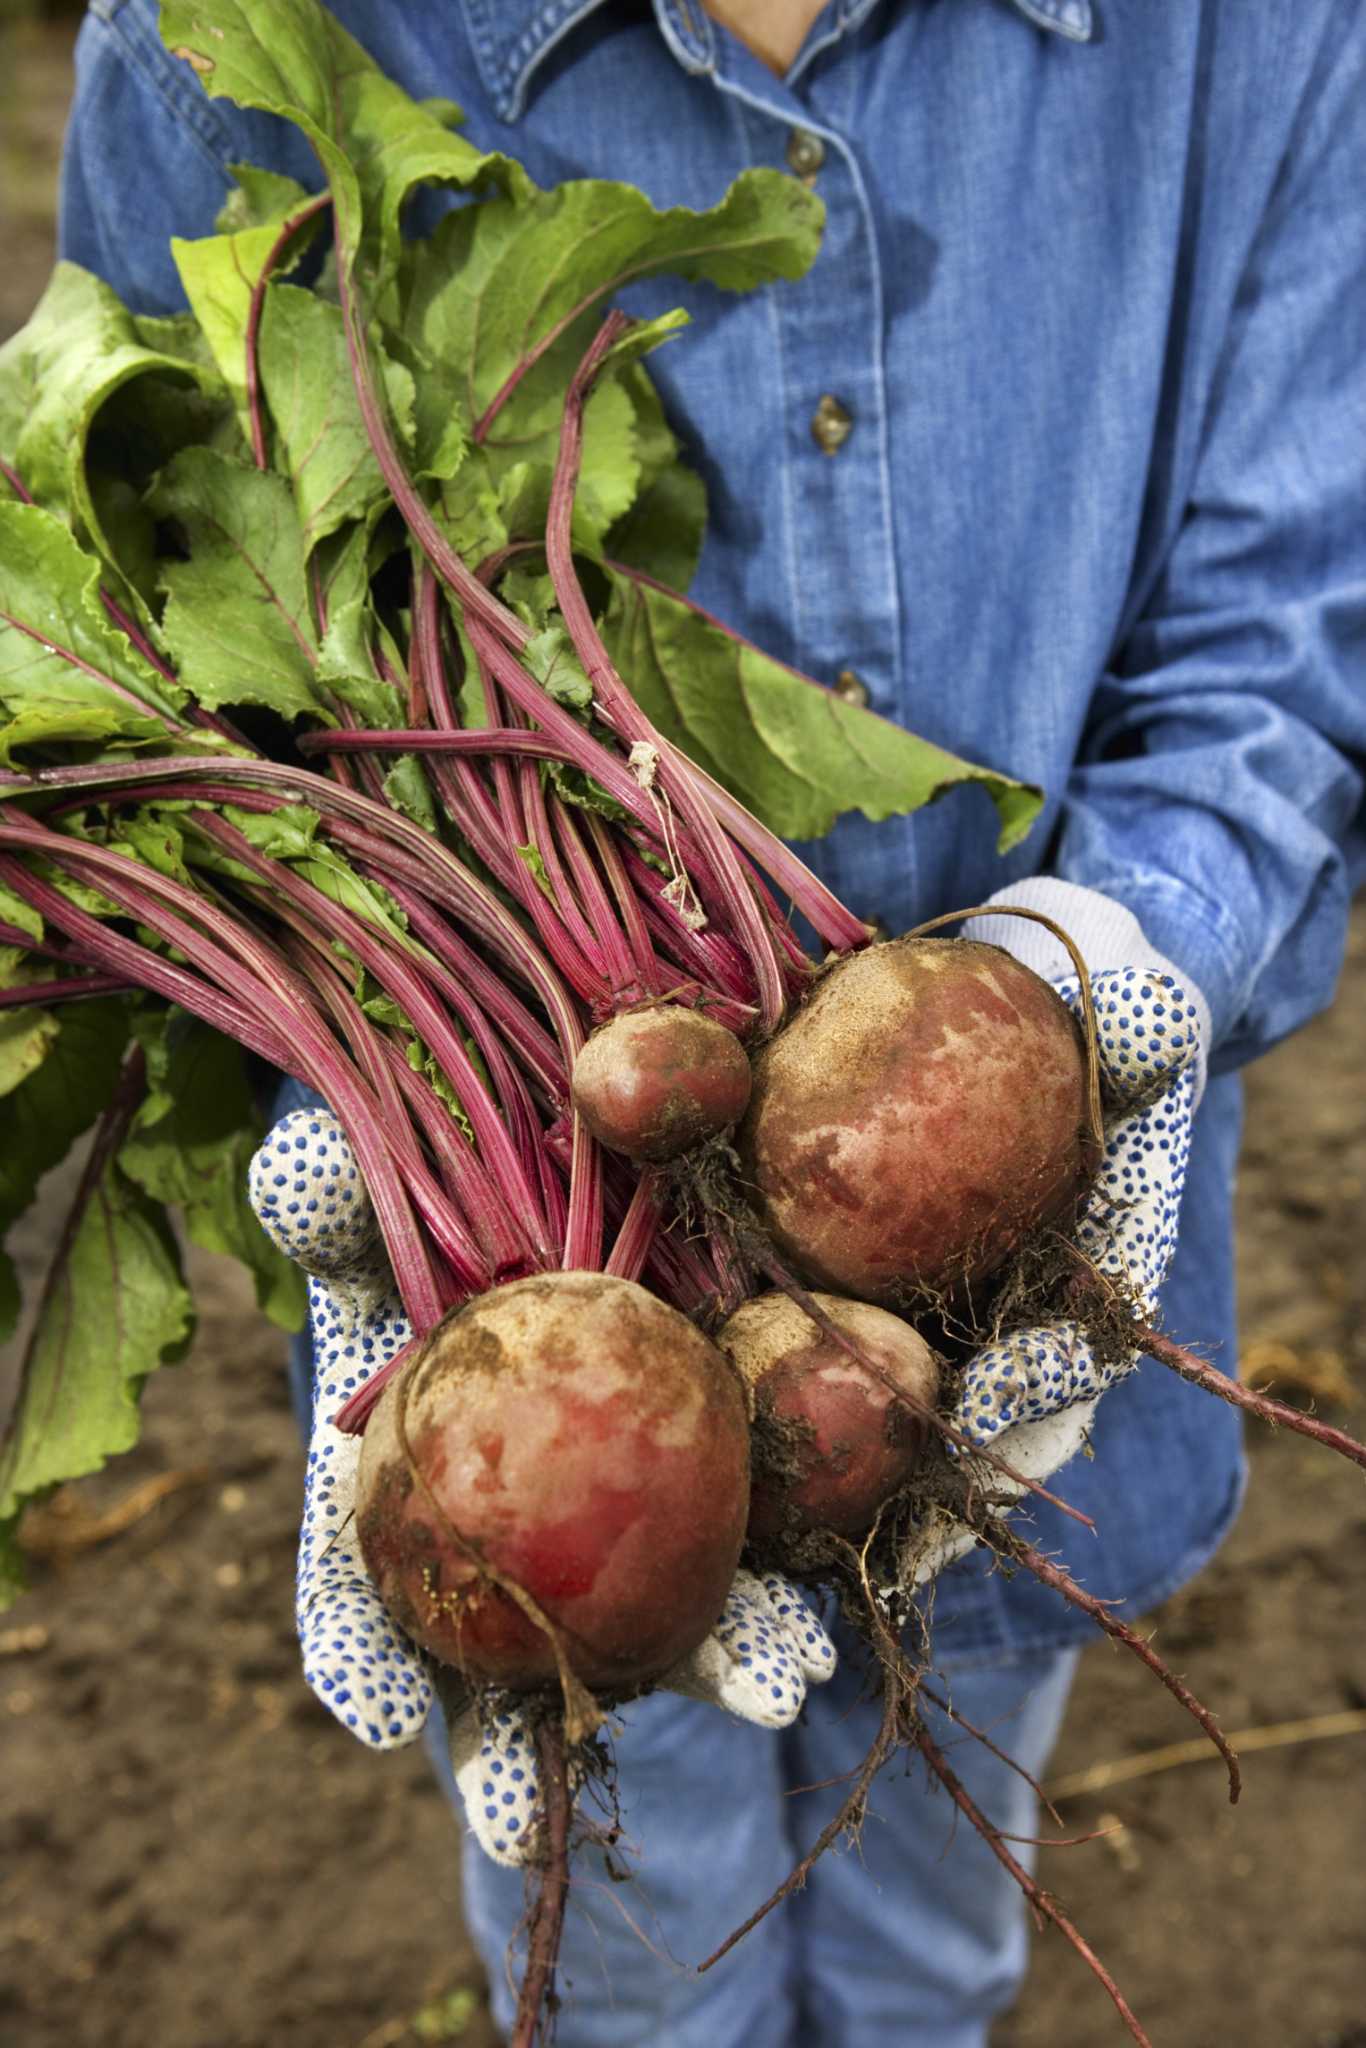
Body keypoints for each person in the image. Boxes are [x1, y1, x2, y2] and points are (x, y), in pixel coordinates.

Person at [58, 2, 1366, 2041]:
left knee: (934, 1947)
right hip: (548, 1402)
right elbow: (220, 737)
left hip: (1043, 1371)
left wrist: (1106, 973)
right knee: (637, 1992)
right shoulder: (219, 39)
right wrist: (347, 1096)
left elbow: (1281, 643)